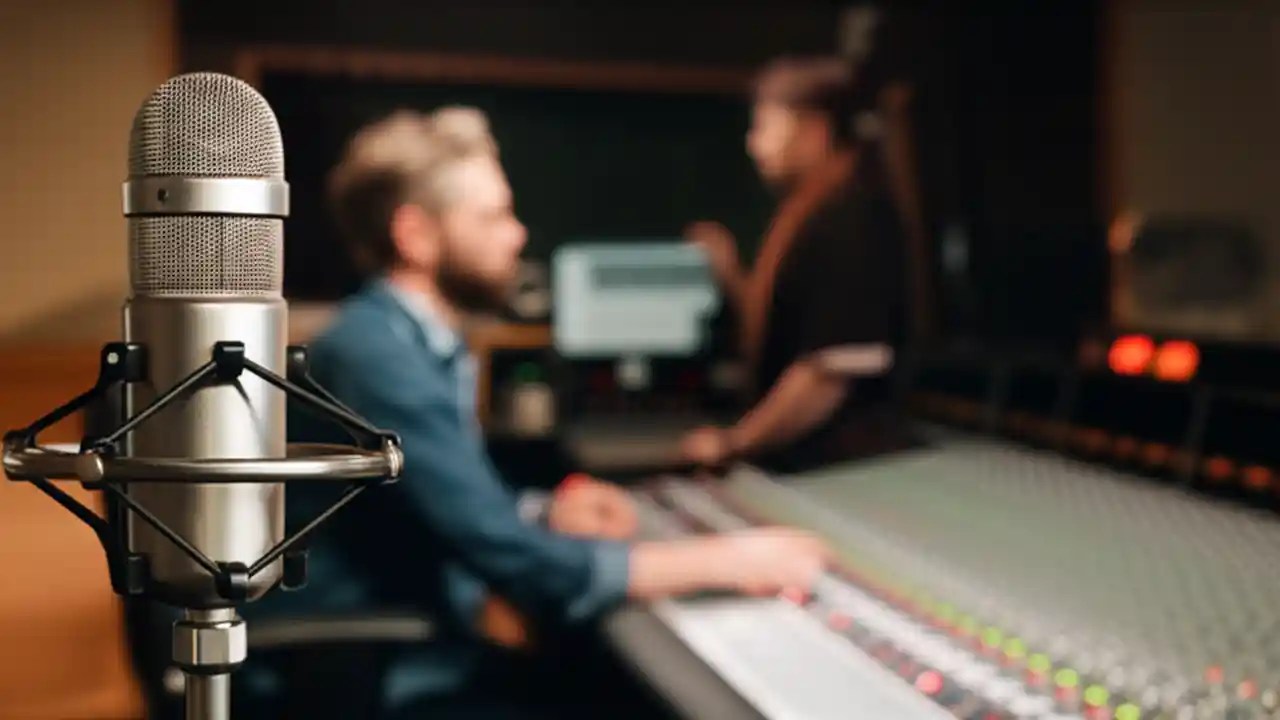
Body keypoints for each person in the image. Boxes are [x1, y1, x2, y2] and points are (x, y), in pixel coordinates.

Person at [245, 107, 831, 719]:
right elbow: (508, 556)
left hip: (391, 632)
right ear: (416, 236)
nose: (518, 234)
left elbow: (449, 503)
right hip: (353, 665)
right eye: (494, 216)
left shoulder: (405, 339)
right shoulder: (373, 354)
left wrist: (545, 508)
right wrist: (724, 561)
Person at [680, 55, 926, 473]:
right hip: (818, 465)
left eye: (766, 126)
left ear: (813, 131)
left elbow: (829, 372)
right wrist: (731, 274)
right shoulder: (815, 208)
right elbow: (800, 333)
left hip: (845, 470)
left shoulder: (852, 214)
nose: (753, 144)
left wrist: (735, 442)